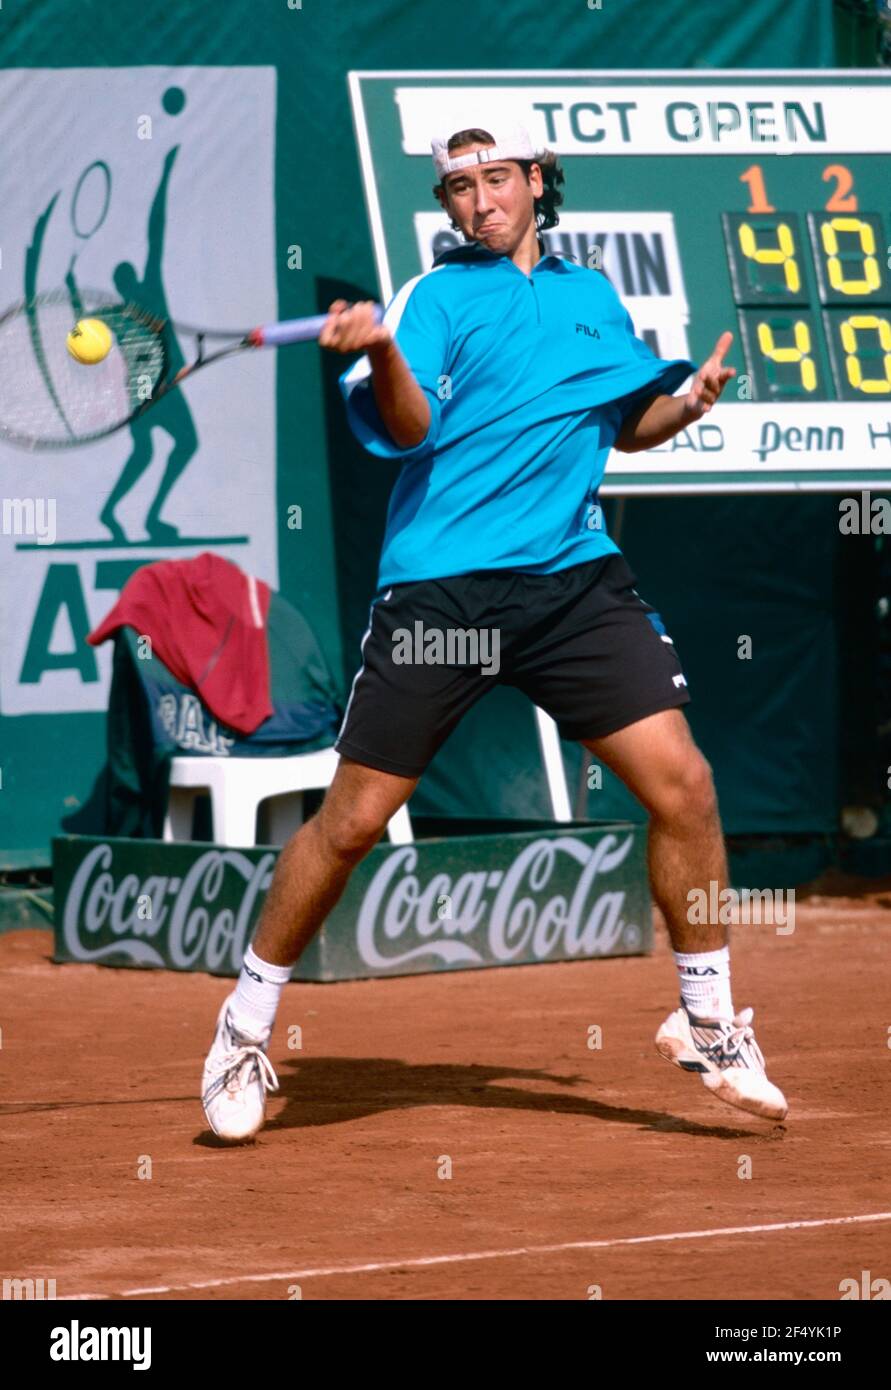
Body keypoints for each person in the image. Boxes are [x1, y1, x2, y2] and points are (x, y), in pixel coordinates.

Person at [201, 119, 787, 1142]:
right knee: (349, 822)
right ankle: (243, 1028)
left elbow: (625, 422)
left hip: (571, 582)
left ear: (538, 183)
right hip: (443, 592)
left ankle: (705, 1018)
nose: (479, 201)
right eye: (460, 187)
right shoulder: (432, 299)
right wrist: (383, 348)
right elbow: (409, 427)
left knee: (684, 784)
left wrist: (686, 402)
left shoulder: (589, 296)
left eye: (497, 179)